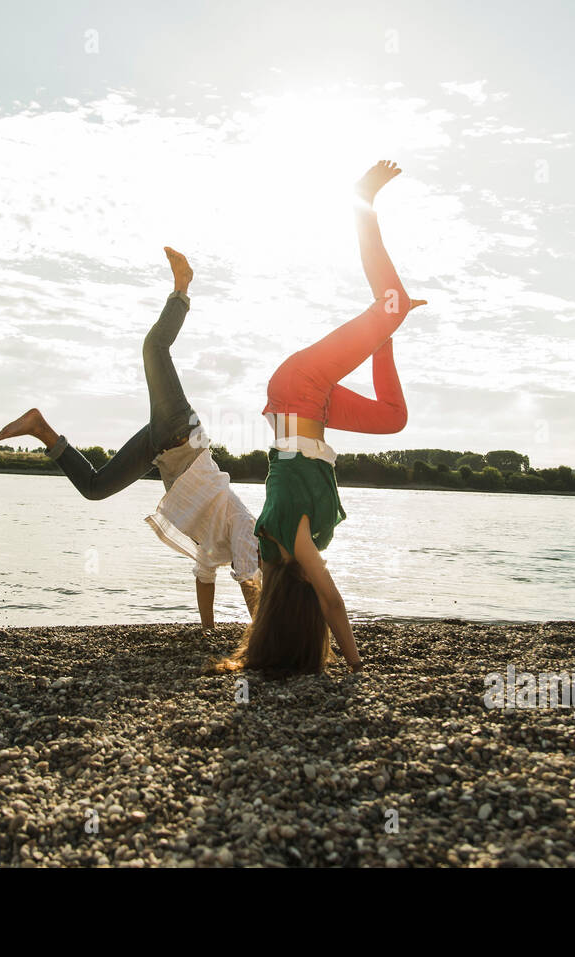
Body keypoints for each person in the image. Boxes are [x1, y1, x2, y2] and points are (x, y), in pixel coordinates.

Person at [210, 160, 426, 677]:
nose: (320, 574)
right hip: (312, 407)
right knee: (393, 419)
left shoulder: (290, 544)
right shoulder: (272, 556)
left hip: (299, 389)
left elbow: (332, 603)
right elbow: (278, 610)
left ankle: (362, 202)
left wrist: (354, 662)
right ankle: (386, 332)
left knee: (390, 303)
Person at [0, 247, 261, 628]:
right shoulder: (248, 532)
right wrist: (263, 633)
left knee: (95, 487)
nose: (249, 566)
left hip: (161, 449)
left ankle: (42, 429)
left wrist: (208, 631)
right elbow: (250, 577)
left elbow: (205, 574)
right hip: (183, 435)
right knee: (155, 348)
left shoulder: (218, 544)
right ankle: (182, 287)